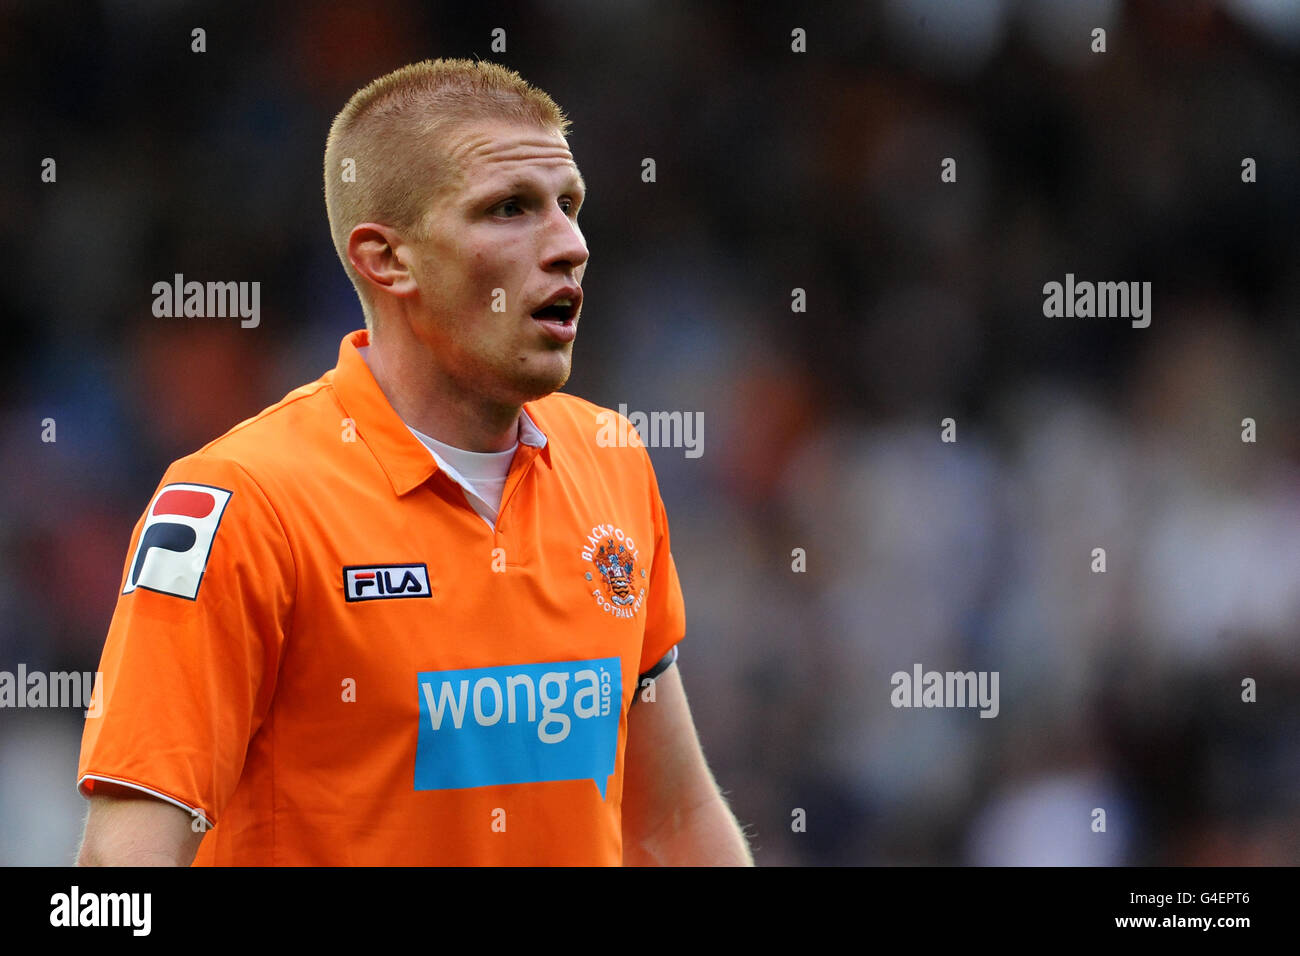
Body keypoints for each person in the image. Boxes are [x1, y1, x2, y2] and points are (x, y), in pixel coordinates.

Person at [75, 58, 752, 866]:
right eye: (511, 209)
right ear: (387, 260)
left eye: (569, 206)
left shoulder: (612, 458)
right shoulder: (240, 501)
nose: (570, 246)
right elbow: (121, 871)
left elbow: (671, 821)